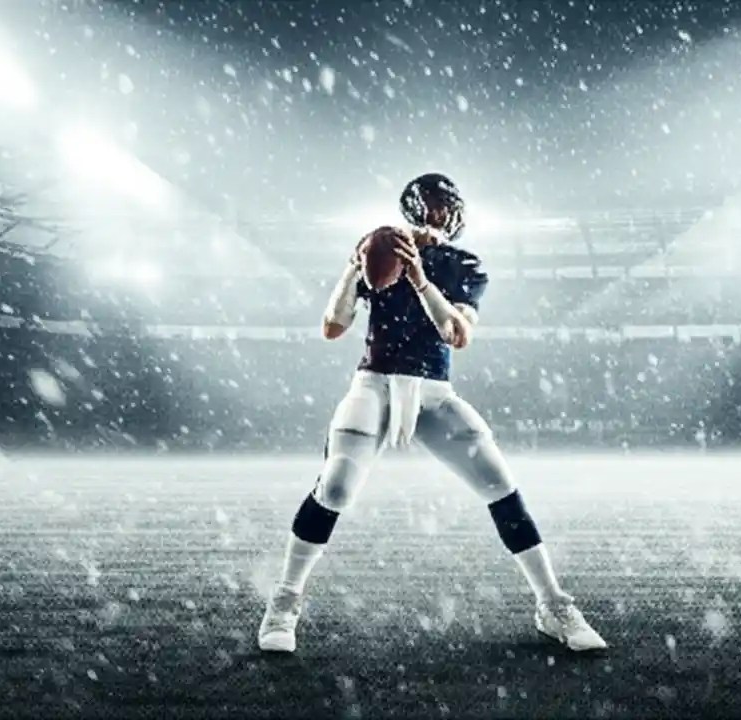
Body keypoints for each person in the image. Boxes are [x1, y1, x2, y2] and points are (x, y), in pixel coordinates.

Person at [257, 173, 606, 653]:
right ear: (413, 208)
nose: (441, 211)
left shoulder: (465, 264)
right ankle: (285, 599)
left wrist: (420, 279)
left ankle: (553, 604)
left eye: (447, 203)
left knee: (499, 483)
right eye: (434, 202)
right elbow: (333, 327)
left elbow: (457, 334)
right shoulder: (384, 250)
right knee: (336, 485)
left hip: (434, 393)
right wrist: (351, 268)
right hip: (375, 383)